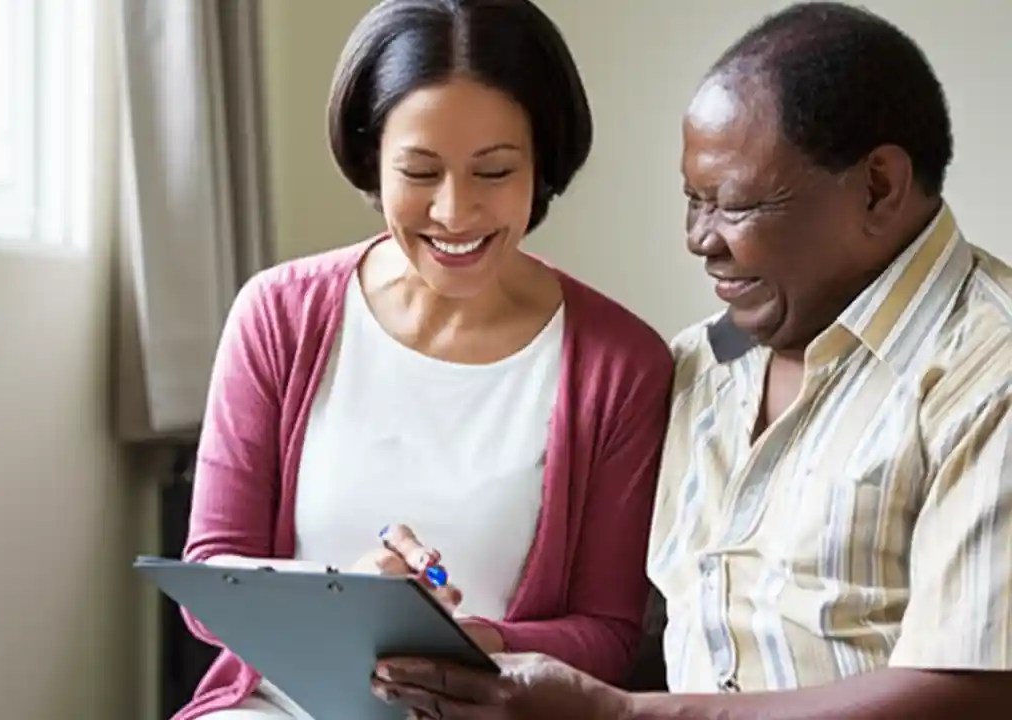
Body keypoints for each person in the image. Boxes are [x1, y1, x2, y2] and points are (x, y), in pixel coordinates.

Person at [372, 2, 1011, 718]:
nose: (699, 239)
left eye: (732, 205)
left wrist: (616, 715)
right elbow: (613, 622)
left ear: (877, 188)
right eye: (691, 200)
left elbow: (979, 693)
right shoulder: (700, 367)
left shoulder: (990, 370)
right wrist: (444, 627)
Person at [173, 0, 674, 718]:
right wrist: (346, 601)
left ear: (543, 162)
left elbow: (609, 634)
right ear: (372, 158)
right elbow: (211, 577)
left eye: (494, 171)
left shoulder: (621, 365)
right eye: (419, 171)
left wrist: (460, 641)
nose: (454, 211)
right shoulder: (279, 314)